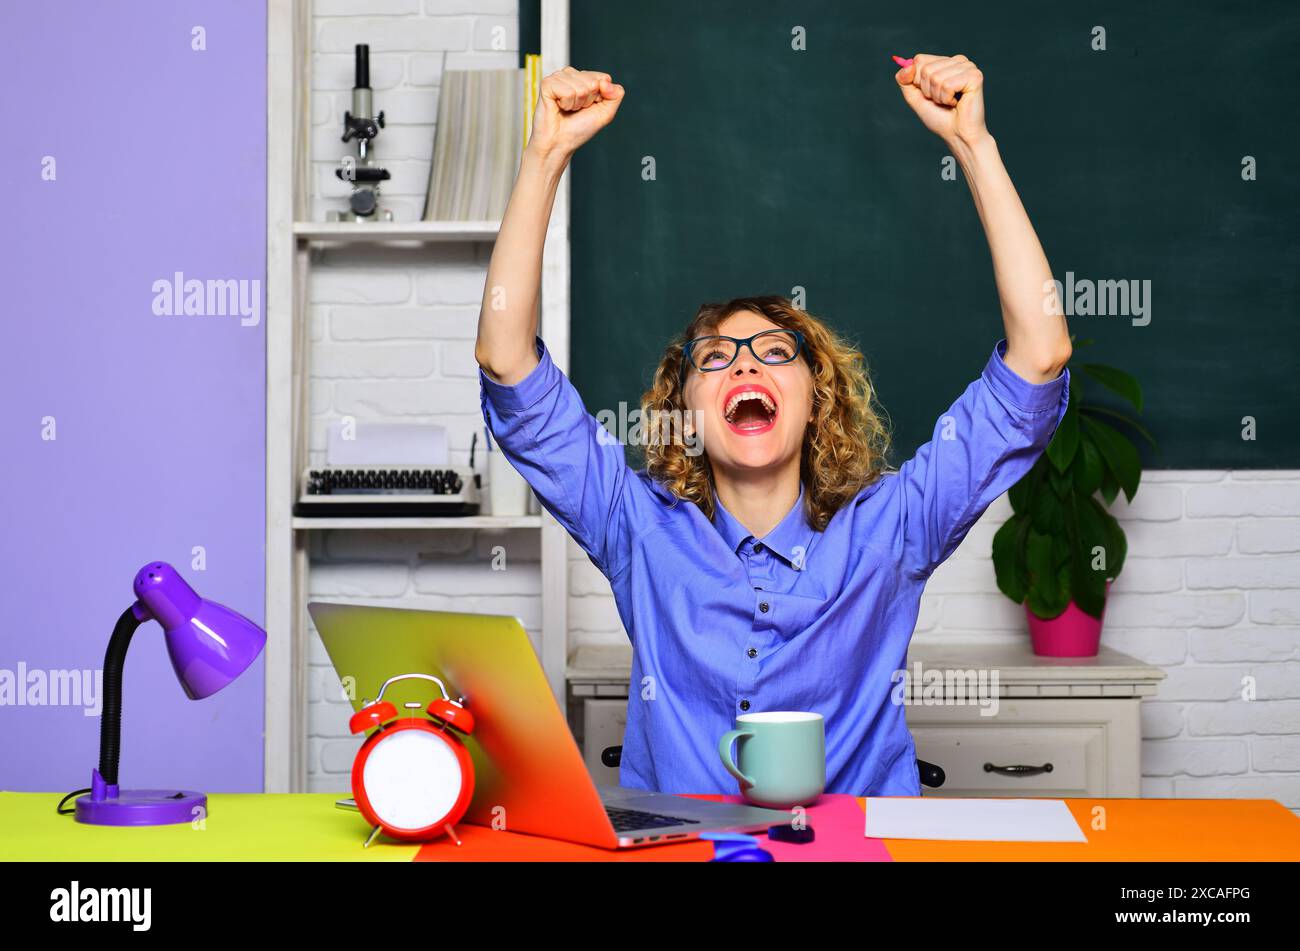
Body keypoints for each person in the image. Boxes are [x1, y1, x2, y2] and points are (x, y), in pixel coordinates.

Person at [475, 57, 1072, 796]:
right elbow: (507, 364)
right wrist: (544, 156)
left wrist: (974, 148)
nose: (746, 368)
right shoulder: (636, 526)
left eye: (775, 353)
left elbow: (1040, 358)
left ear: (816, 399)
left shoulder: (895, 525)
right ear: (686, 408)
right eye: (716, 357)